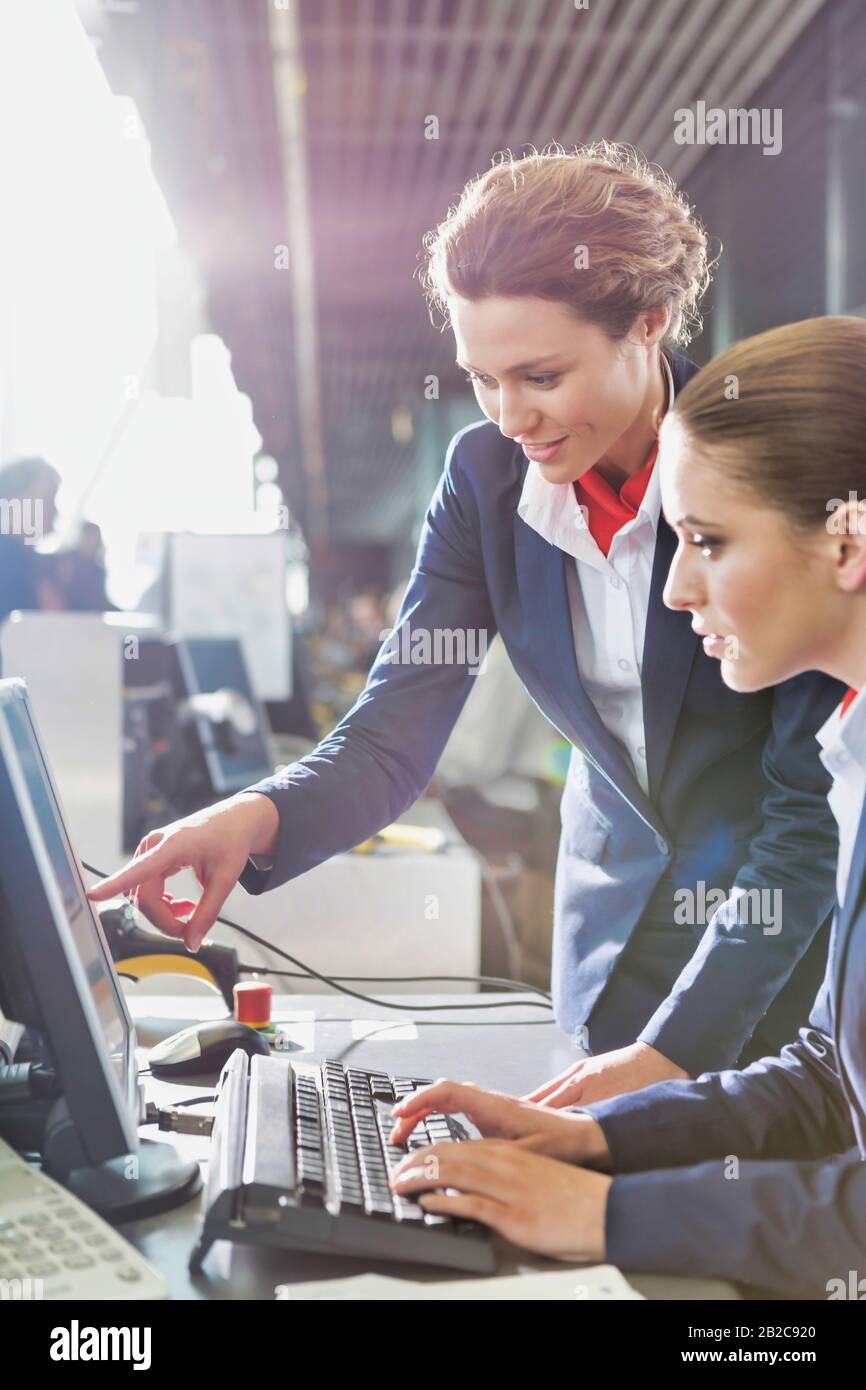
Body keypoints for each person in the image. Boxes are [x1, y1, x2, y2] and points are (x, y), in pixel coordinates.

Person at [88, 144, 841, 1106]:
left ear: (648, 324)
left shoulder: (766, 466)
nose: (510, 414)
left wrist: (677, 1054)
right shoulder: (484, 480)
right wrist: (256, 816)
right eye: (481, 378)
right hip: (604, 946)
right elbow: (396, 728)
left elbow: (804, 812)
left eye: (540, 375)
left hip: (769, 973)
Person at [385, 316, 866, 1298]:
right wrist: (593, 1140)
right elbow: (829, 1080)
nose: (677, 587)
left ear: (846, 542)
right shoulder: (847, 753)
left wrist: (606, 1213)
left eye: (707, 542)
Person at [0, 456, 63, 630]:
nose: (55, 511)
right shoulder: (7, 559)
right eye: (48, 501)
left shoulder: (27, 559)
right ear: (13, 501)